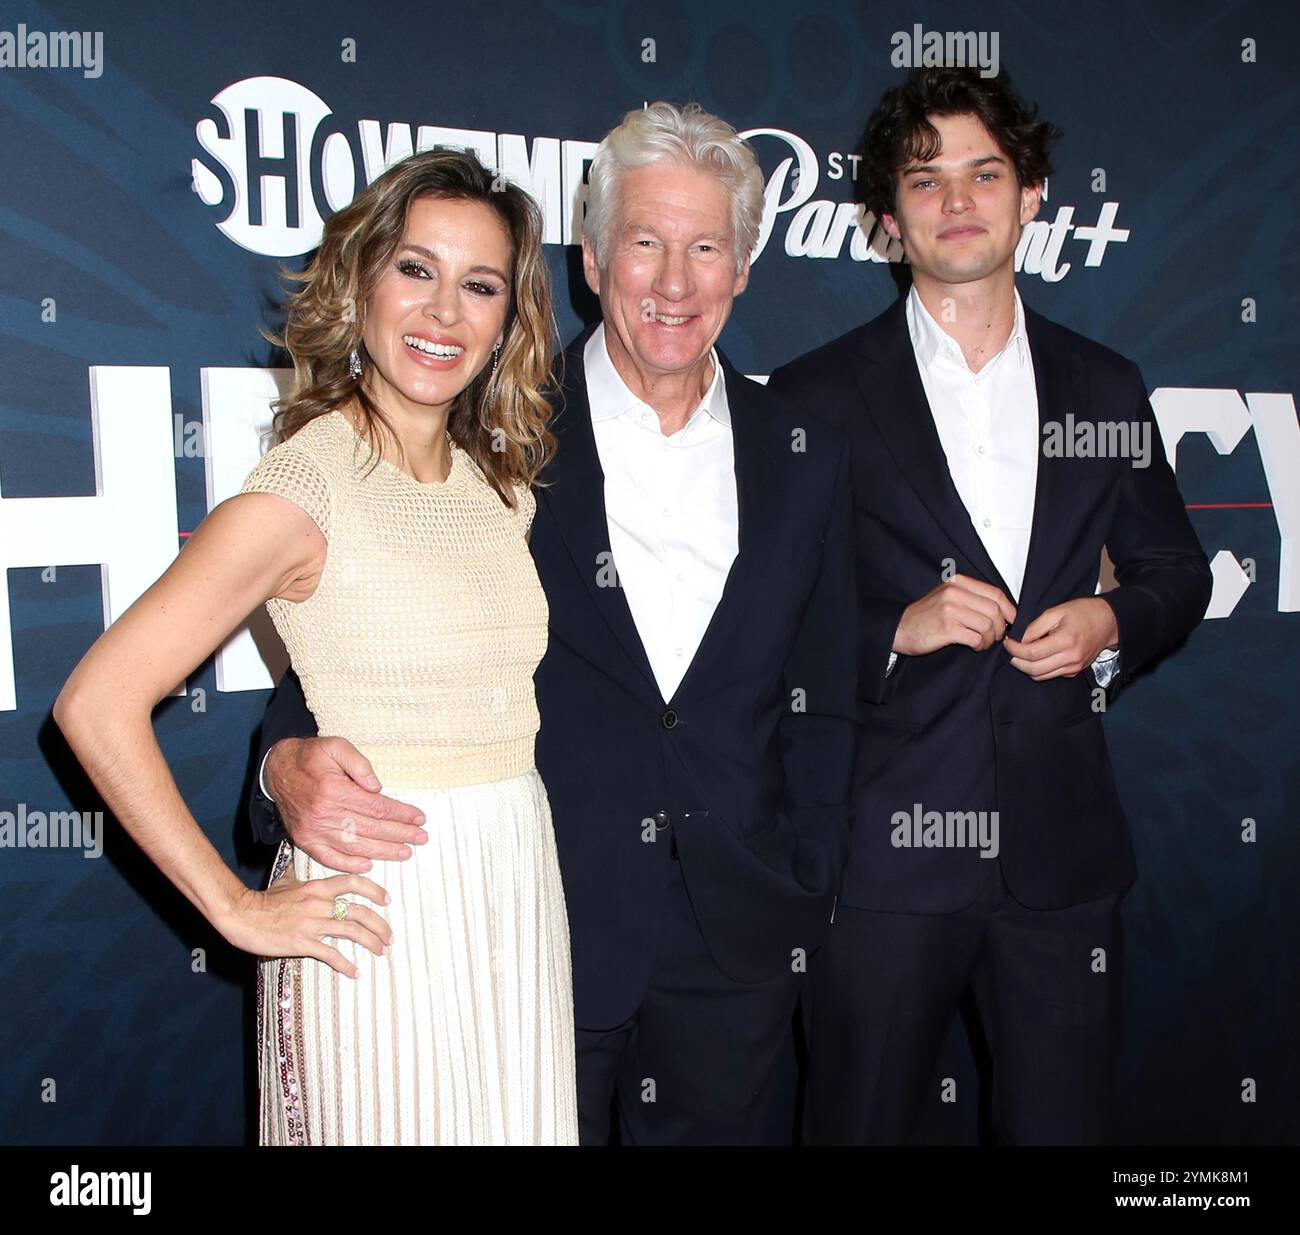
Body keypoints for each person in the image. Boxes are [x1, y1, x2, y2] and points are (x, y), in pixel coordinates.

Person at [249, 101, 859, 1145]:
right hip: (526, 927)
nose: (673, 282)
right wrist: (280, 764)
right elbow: (362, 622)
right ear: (591, 257)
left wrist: (806, 875)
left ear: (743, 268)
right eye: (645, 242)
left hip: (738, 942)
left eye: (705, 248)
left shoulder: (805, 450)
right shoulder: (496, 426)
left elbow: (826, 694)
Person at [54, 149, 578, 1145]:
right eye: (415, 269)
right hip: (376, 909)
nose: (443, 313)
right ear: (363, 278)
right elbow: (94, 701)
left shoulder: (496, 486)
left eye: (479, 286)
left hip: (511, 891)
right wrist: (234, 907)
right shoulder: (304, 487)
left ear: (508, 319)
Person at [766, 66, 1213, 1145]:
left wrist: (1112, 625)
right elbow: (760, 627)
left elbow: (1174, 569)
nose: (957, 199)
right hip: (880, 858)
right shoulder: (811, 397)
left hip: (1062, 863)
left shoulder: (1104, 385)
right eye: (925, 181)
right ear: (884, 220)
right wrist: (891, 631)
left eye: (984, 172)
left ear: (1032, 196)